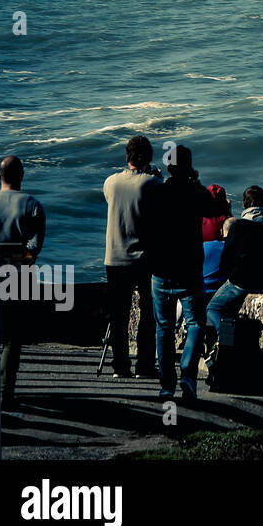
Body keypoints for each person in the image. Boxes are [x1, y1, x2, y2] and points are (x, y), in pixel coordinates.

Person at [148, 145, 227, 401]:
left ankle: (166, 385)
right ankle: (188, 376)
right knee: (194, 323)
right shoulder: (195, 192)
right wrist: (197, 180)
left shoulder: (157, 191)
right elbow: (217, 210)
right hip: (189, 269)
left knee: (164, 327)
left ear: (168, 166)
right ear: (189, 166)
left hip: (160, 269)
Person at [0, 155, 46, 409]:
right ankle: (6, 392)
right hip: (18, 279)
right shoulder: (32, 205)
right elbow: (33, 248)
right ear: (22, 176)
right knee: (12, 337)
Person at [103, 136, 162, 379]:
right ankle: (145, 366)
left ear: (127, 157)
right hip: (144, 259)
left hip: (114, 258)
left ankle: (120, 367)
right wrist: (156, 176)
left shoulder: (110, 182)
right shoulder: (153, 183)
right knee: (148, 313)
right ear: (148, 158)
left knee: (119, 315)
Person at [205, 186, 263, 339]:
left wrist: (230, 276)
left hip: (240, 283)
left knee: (212, 309)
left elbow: (226, 260)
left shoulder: (238, 226)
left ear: (244, 204)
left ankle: (227, 338)